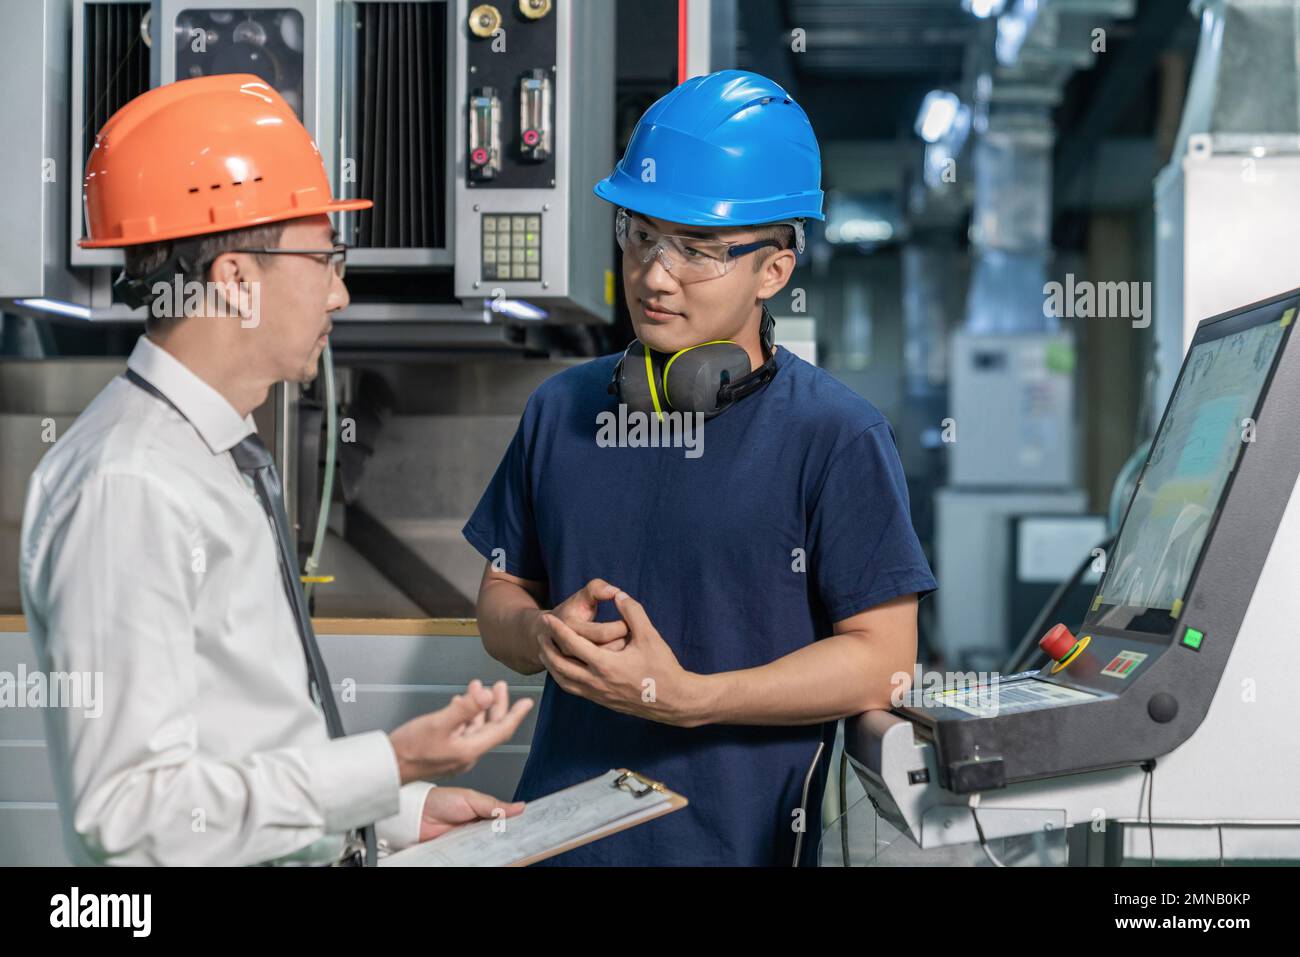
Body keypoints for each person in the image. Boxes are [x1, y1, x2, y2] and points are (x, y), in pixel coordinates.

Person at [20, 74, 531, 866]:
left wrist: (390, 811)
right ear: (234, 280)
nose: (340, 292)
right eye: (324, 258)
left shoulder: (215, 455)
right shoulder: (130, 486)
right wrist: (388, 763)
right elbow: (130, 815)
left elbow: (243, 742)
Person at [464, 70, 937, 866]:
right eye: (641, 234)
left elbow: (884, 660)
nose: (654, 274)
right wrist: (541, 635)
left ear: (774, 271)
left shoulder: (835, 435)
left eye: (697, 249)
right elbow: (500, 599)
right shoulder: (560, 409)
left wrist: (693, 699)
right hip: (556, 846)